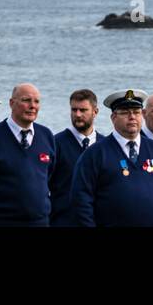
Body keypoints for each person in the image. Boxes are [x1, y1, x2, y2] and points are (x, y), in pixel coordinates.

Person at [69, 89, 153, 227]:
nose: (132, 117)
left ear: (142, 115)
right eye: (125, 112)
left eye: (136, 112)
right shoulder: (95, 154)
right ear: (113, 118)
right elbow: (81, 202)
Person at [0, 83, 55, 227]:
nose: (32, 106)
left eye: (36, 101)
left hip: (39, 223)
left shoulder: (46, 135)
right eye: (26, 100)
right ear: (12, 103)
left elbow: (48, 177)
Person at [51, 88, 101, 226]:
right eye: (74, 110)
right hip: (63, 221)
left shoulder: (106, 145)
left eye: (83, 110)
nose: (78, 115)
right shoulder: (55, 144)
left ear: (95, 112)